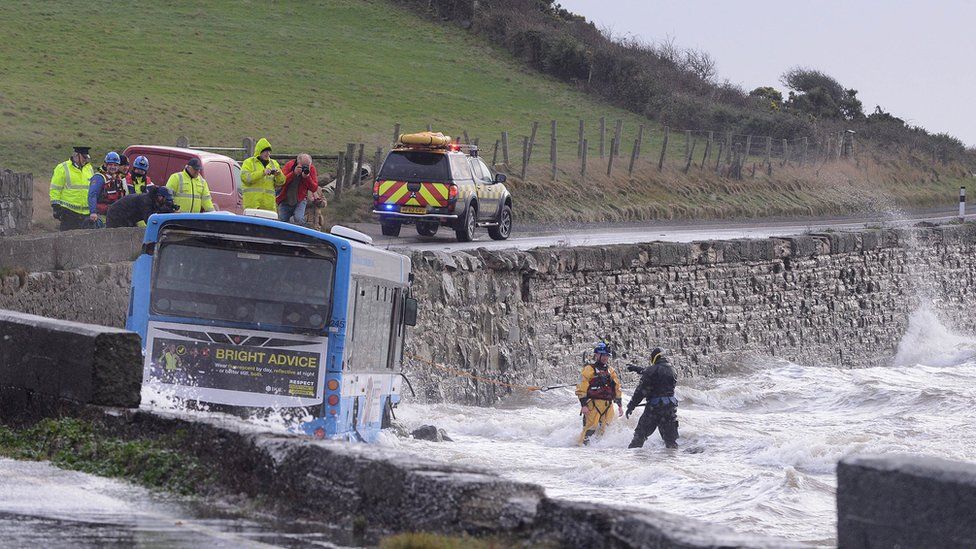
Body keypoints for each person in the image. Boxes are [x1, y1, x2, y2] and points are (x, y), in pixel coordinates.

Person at [626, 347, 679, 449]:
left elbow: (641, 391)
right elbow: (657, 373)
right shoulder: (673, 370)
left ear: (654, 358)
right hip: (670, 410)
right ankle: (674, 464)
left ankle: (631, 462)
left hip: (654, 409)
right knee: (671, 442)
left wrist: (631, 406)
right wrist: (637, 369)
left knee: (639, 438)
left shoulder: (651, 370)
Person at [575, 342, 623, 445]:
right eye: (603, 355)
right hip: (593, 405)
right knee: (589, 430)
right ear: (597, 355)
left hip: (608, 406)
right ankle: (580, 451)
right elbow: (581, 388)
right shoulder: (589, 370)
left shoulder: (611, 371)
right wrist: (583, 405)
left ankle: (599, 453)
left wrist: (619, 405)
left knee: (605, 432)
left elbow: (617, 387)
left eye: (607, 355)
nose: (605, 357)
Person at [49, 146, 95, 231]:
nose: (86, 160)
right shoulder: (62, 167)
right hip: (69, 213)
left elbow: (92, 189)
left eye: (87, 157)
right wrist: (56, 207)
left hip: (86, 213)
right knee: (66, 241)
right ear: (76, 155)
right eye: (84, 157)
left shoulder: (89, 168)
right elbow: (55, 189)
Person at [240, 137, 284, 212]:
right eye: (265, 151)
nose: (268, 153)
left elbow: (281, 182)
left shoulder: (274, 163)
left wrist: (278, 175)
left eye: (269, 151)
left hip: (268, 207)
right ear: (259, 151)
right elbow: (246, 178)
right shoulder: (248, 162)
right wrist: (262, 173)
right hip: (252, 205)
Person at [106, 186, 179, 228]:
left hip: (128, 218)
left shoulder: (153, 200)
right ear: (159, 196)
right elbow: (150, 220)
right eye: (165, 199)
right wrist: (164, 210)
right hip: (115, 215)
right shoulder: (145, 200)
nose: (166, 202)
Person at [88, 151, 127, 226]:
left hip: (114, 215)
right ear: (105, 164)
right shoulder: (99, 178)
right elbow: (92, 195)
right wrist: (93, 212)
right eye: (110, 164)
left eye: (115, 165)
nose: (113, 167)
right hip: (100, 216)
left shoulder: (118, 179)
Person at [278, 153, 319, 224]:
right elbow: (281, 182)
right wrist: (293, 173)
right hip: (286, 199)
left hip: (301, 199)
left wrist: (307, 177)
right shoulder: (289, 165)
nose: (305, 167)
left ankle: (302, 234)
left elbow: (314, 188)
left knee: (299, 218)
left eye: (307, 165)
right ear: (298, 162)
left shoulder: (311, 169)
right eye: (303, 165)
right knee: (282, 221)